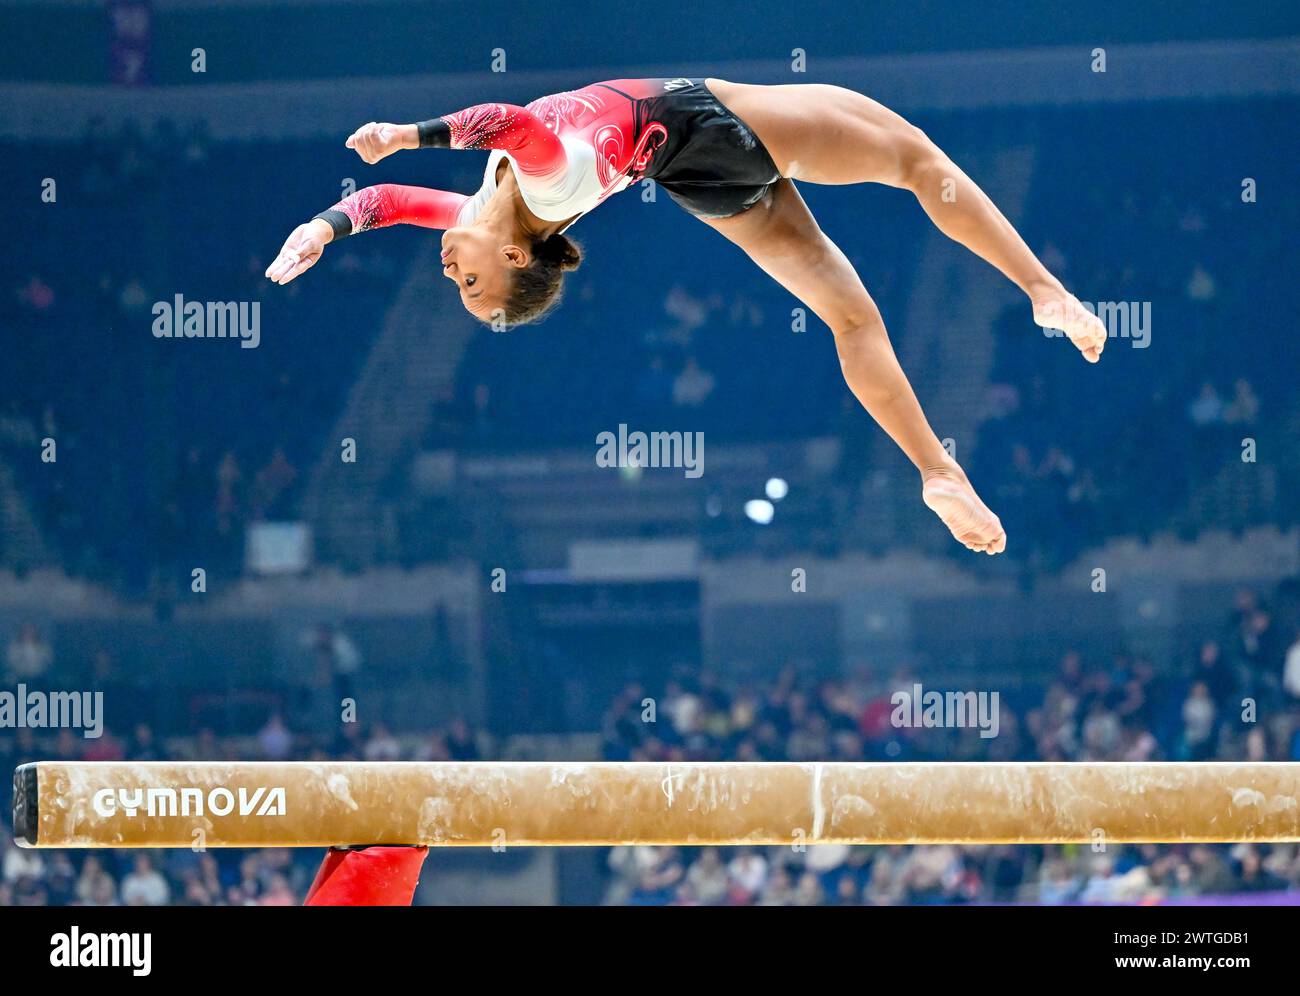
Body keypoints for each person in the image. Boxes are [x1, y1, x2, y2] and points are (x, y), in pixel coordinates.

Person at [268, 79, 1109, 554]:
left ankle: (937, 470)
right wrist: (409, 132)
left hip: (693, 181)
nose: (453, 274)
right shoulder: (544, 182)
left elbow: (388, 204)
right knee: (920, 160)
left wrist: (321, 228)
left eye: (458, 287)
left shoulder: (484, 208)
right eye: (472, 286)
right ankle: (1042, 289)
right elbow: (512, 123)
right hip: (704, 122)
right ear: (517, 258)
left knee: (852, 319)